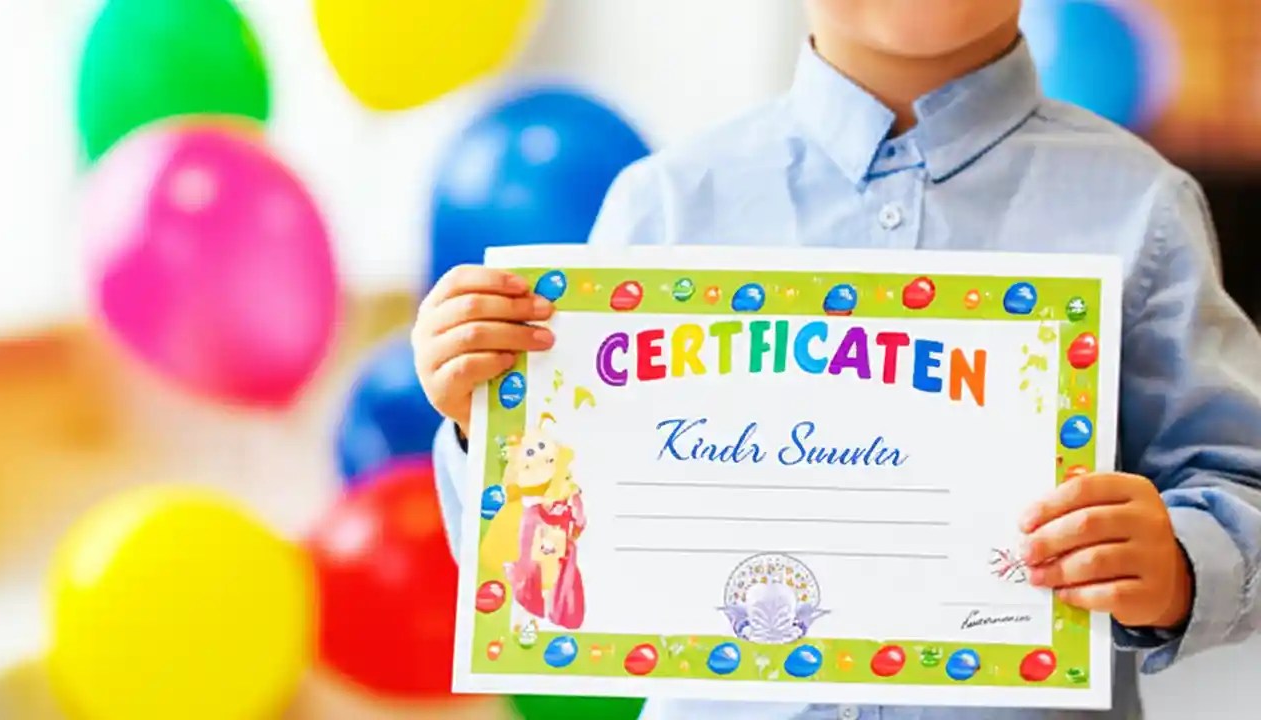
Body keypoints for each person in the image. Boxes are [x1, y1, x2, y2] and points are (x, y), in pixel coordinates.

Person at [412, 0, 1261, 717]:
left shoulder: (1140, 206)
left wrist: (1179, 564)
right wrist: (485, 419)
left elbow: (1240, 484)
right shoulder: (664, 205)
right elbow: (554, 539)